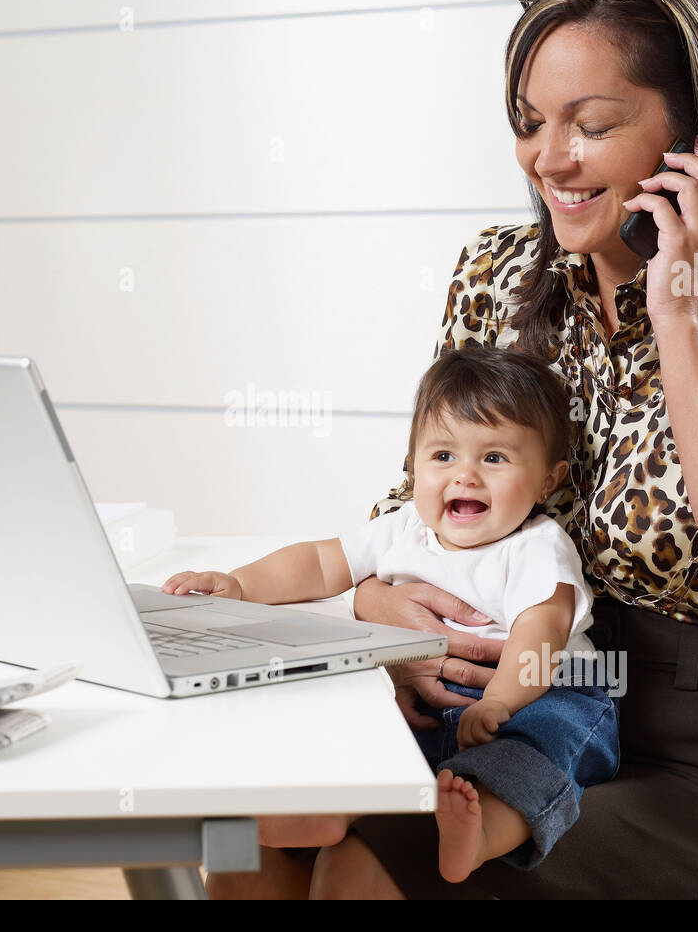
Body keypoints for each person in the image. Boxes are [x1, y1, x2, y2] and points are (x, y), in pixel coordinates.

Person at [209, 0, 698, 900]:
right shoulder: (498, 273)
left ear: (690, 133)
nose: (549, 158)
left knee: (368, 867)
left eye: (591, 125)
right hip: (509, 706)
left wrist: (678, 314)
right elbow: (426, 498)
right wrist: (375, 608)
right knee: (263, 831)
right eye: (530, 123)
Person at [161, 346, 619, 882]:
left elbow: (541, 632)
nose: (465, 476)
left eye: (494, 458)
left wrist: (498, 701)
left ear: (548, 479)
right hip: (424, 700)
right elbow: (318, 561)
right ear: (413, 464)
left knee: (530, 758)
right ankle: (330, 806)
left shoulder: (538, 546)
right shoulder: (403, 530)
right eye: (443, 456)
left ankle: (482, 834)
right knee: (362, 735)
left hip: (539, 696)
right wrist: (239, 584)